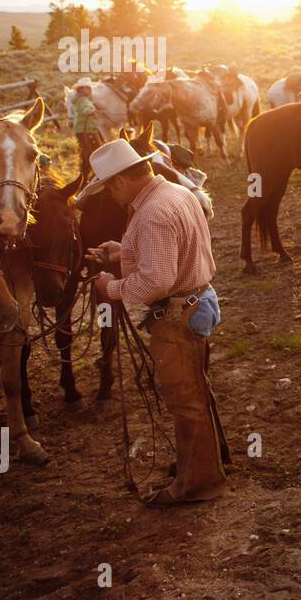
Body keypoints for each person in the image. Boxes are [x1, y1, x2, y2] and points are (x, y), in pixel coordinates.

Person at [79, 138, 228, 505]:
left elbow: (155, 282)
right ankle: (209, 463)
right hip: (195, 301)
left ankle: (197, 484)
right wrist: (123, 251)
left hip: (176, 314)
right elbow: (166, 254)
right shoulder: (175, 192)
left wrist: (110, 287)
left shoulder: (151, 214)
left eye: (108, 189)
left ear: (118, 181)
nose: (110, 197)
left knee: (184, 398)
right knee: (196, 389)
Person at [69, 78, 103, 175]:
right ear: (82, 89)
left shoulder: (80, 99)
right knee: (91, 150)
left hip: (86, 129)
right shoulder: (83, 100)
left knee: (88, 150)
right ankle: (89, 171)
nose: (89, 89)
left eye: (89, 87)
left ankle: (87, 170)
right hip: (86, 130)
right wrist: (91, 111)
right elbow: (85, 110)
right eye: (87, 87)